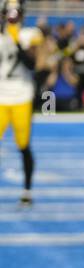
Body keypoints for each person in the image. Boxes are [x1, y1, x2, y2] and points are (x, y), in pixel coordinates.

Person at [0, 0, 40, 206]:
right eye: (8, 13)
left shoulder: (29, 34)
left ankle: (27, 190)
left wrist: (15, 41)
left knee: (23, 145)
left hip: (22, 95)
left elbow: (32, 63)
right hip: (0, 96)